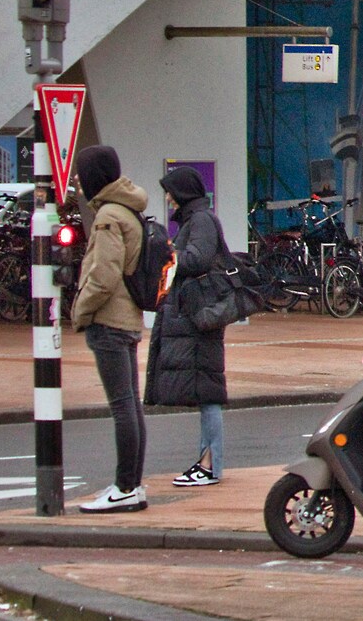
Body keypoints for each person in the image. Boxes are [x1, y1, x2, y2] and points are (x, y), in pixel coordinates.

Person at [70, 145, 151, 514]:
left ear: (93, 178)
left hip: (109, 321)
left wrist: (80, 312)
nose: (77, 182)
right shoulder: (128, 210)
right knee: (131, 406)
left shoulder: (107, 217)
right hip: (129, 319)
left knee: (122, 407)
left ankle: (124, 487)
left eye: (81, 176)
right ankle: (132, 485)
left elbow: (103, 276)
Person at [145, 165, 230, 487]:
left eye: (170, 191)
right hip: (193, 318)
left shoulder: (202, 221)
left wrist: (166, 252)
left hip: (199, 320)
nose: (167, 197)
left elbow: (197, 259)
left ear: (181, 193)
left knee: (207, 393)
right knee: (204, 391)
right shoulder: (196, 220)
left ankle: (210, 464)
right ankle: (207, 462)